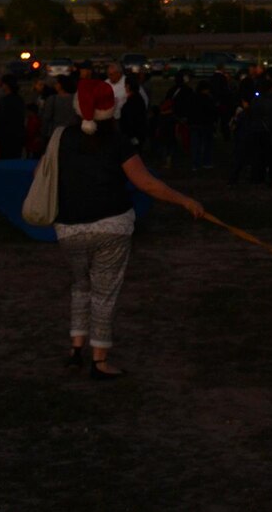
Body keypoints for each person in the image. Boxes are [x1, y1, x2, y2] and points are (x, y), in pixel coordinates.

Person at [53, 77, 203, 380]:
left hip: (69, 228)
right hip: (111, 227)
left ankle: (75, 349)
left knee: (80, 287)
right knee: (104, 294)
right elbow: (146, 183)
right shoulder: (118, 142)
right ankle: (99, 359)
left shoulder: (61, 138)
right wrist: (184, 201)